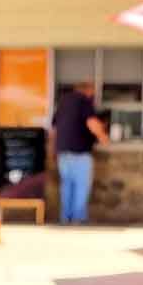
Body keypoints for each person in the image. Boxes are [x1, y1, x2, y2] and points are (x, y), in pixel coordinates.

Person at [51, 82, 108, 224]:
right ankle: (78, 218)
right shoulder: (84, 100)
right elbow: (92, 123)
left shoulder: (63, 102)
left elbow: (54, 129)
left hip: (63, 151)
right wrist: (103, 137)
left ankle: (65, 218)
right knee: (81, 185)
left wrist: (53, 149)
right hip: (80, 151)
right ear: (87, 91)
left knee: (66, 185)